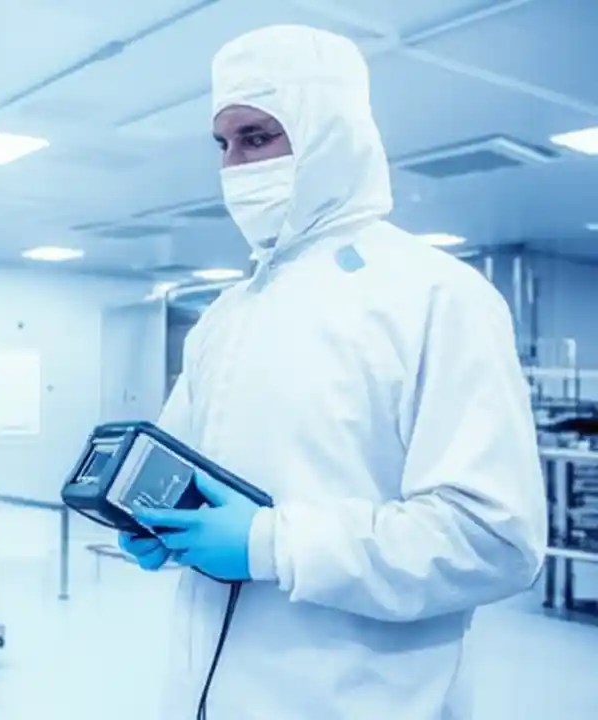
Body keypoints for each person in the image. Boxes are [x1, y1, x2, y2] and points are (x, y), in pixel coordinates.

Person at [118, 24, 547, 719]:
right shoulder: (228, 315)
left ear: (329, 132)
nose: (234, 165)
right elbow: (186, 470)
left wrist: (274, 545)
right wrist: (159, 521)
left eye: (257, 137)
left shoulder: (437, 297)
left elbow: (493, 539)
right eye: (223, 145)